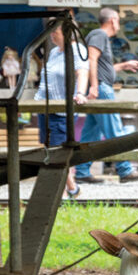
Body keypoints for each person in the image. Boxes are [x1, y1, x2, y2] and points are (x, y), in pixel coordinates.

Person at [75, 7, 138, 183]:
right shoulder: (99, 35)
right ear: (113, 20)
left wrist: (123, 66)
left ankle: (82, 171)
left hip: (101, 87)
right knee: (115, 130)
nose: (119, 24)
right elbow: (92, 59)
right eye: (118, 20)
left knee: (90, 135)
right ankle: (124, 170)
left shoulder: (98, 36)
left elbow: (101, 66)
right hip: (102, 90)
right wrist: (95, 86)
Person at [34, 19, 90, 198]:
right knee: (50, 149)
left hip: (60, 111)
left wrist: (81, 93)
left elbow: (82, 71)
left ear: (66, 32)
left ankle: (64, 191)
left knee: (57, 152)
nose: (51, 35)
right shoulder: (54, 52)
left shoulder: (77, 50)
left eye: (54, 31)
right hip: (46, 108)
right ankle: (72, 189)